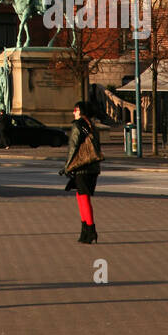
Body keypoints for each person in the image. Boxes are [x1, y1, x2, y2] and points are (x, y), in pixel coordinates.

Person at [62, 101, 103, 243]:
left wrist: (67, 167)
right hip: (93, 167)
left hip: (82, 167)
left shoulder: (78, 125)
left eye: (75, 109)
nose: (73, 112)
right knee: (82, 196)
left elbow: (73, 147)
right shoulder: (93, 126)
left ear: (81, 111)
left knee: (82, 198)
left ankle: (90, 229)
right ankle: (85, 231)